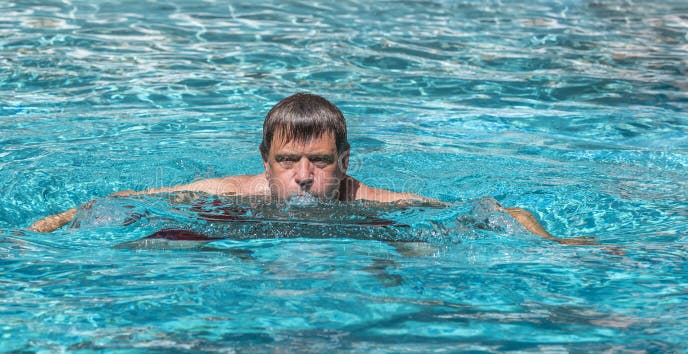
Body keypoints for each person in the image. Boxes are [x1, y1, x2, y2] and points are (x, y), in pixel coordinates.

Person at [29, 93, 590, 245]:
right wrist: (34, 234)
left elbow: (499, 210)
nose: (303, 176)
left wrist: (560, 247)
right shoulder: (231, 190)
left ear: (344, 162)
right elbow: (121, 197)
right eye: (287, 161)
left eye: (319, 162)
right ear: (265, 163)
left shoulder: (367, 200)